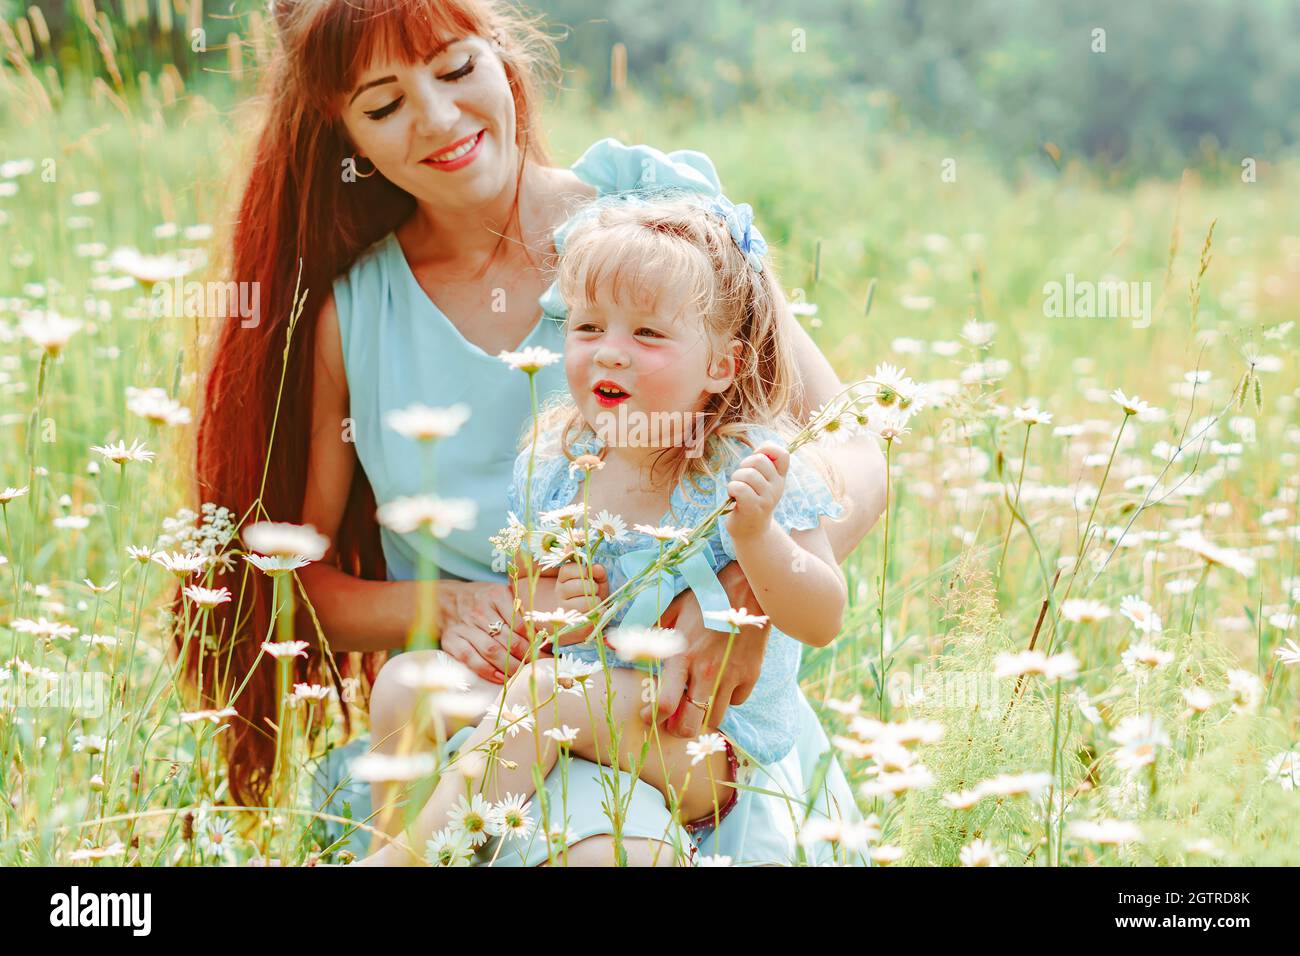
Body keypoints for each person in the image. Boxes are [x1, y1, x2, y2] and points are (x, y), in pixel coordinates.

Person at [188, 0, 886, 866]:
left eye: (454, 70)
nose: (439, 119)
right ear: (343, 132)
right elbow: (301, 587)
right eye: (384, 104)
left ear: (501, 53)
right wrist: (450, 608)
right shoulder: (353, 314)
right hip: (486, 728)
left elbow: (854, 445)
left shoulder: (659, 231)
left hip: (679, 727)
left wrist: (739, 586)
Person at [360, 193, 850, 865]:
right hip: (592, 709)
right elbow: (532, 595)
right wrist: (548, 610)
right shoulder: (560, 461)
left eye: (647, 334)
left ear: (722, 365)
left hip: (702, 747)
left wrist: (759, 540)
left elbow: (824, 617)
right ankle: (396, 836)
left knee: (547, 696)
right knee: (407, 683)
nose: (610, 353)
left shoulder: (750, 467)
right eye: (587, 328)